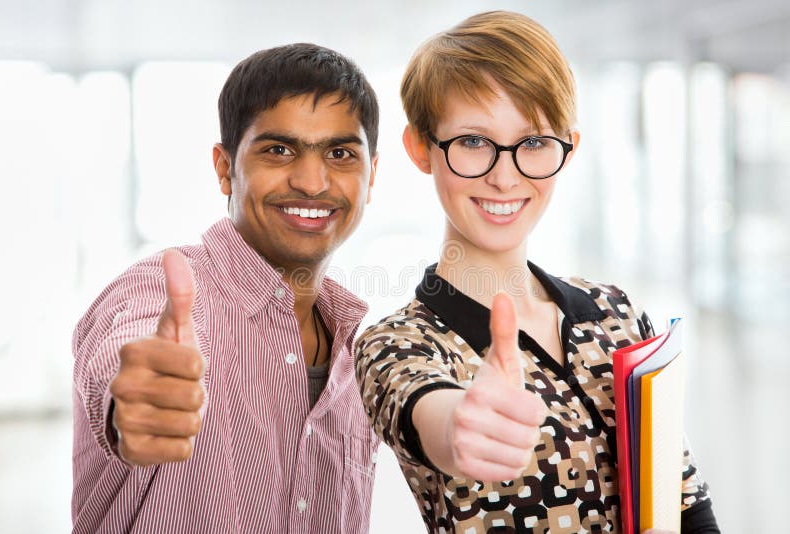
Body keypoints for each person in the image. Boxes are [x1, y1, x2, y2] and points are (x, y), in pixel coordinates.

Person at [355, 11, 719, 534]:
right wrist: (459, 424)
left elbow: (686, 507)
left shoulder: (614, 312)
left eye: (532, 143)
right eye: (474, 142)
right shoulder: (397, 343)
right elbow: (426, 409)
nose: (505, 177)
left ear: (566, 149)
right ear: (420, 149)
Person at [72, 43, 380, 533]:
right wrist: (134, 399)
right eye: (279, 150)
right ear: (224, 167)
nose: (311, 181)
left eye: (340, 154)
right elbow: (123, 350)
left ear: (371, 176)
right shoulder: (160, 291)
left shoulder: (355, 349)